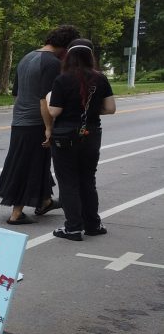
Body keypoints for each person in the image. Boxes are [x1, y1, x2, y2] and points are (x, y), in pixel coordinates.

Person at [0, 24, 79, 224]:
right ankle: (16, 213)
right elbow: (45, 99)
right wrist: (49, 128)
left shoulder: (27, 57)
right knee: (28, 164)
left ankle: (44, 201)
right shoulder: (52, 63)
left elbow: (17, 93)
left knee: (38, 162)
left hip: (20, 120)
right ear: (66, 47)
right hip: (36, 122)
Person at [45, 38, 115, 241]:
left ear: (69, 56)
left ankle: (73, 227)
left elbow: (54, 111)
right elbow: (110, 108)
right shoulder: (100, 78)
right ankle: (93, 224)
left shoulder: (62, 79)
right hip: (91, 133)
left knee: (68, 182)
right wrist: (90, 110)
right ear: (90, 56)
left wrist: (49, 99)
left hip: (65, 136)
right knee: (87, 179)